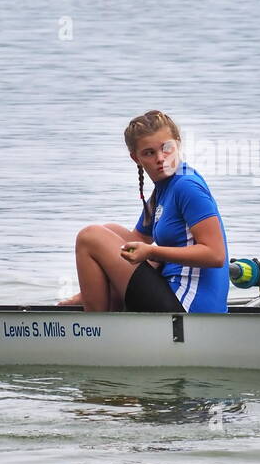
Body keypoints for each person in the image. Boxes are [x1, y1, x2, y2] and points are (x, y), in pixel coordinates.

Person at [60, 110, 229, 313]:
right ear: (136, 158)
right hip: (169, 294)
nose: (160, 158)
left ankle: (95, 328)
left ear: (178, 143)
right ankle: (95, 300)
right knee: (109, 231)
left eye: (166, 148)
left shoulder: (187, 187)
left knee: (89, 237)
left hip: (188, 308)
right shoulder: (163, 189)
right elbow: (137, 241)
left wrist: (151, 251)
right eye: (149, 153)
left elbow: (215, 254)